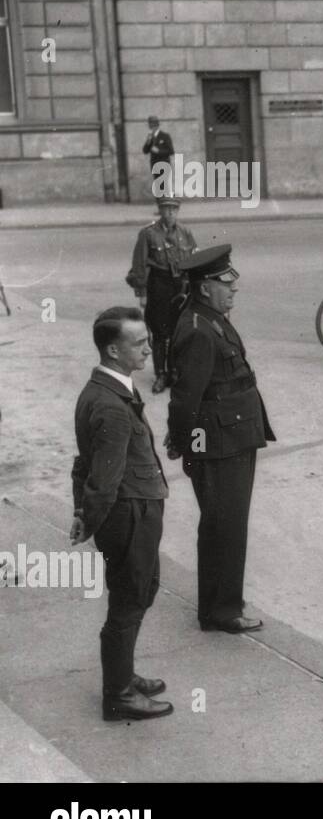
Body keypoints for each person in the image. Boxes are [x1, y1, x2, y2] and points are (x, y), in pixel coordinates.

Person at [71, 307, 173, 721]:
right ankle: (118, 694)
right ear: (113, 350)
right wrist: (87, 519)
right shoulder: (110, 404)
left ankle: (124, 675)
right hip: (129, 513)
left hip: (135, 507)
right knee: (130, 600)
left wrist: (82, 511)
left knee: (140, 591)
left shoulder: (108, 389)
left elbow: (84, 464)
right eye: (139, 343)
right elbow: (103, 478)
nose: (149, 348)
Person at [167, 245, 274, 633]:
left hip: (229, 437)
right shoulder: (198, 329)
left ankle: (217, 604)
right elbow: (186, 399)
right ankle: (224, 610)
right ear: (204, 287)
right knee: (226, 525)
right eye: (225, 283)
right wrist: (186, 446)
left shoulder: (209, 319)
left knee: (221, 524)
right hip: (218, 443)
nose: (234, 289)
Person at [126, 196, 196, 393]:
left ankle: (174, 371)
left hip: (180, 286)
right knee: (159, 333)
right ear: (160, 211)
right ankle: (161, 374)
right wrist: (141, 293)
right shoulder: (148, 234)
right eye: (166, 209)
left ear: (178, 211)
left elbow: (194, 260)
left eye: (174, 209)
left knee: (178, 331)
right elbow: (139, 265)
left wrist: (193, 288)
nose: (170, 213)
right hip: (159, 285)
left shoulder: (185, 233)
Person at [142, 115, 175, 192]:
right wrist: (148, 142)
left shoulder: (165, 136)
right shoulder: (150, 137)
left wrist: (159, 151)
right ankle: (160, 203)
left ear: (157, 126)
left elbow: (171, 151)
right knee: (158, 187)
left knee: (164, 186)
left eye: (153, 126)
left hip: (164, 164)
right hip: (154, 165)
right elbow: (145, 151)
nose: (151, 128)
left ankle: (165, 202)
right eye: (150, 126)